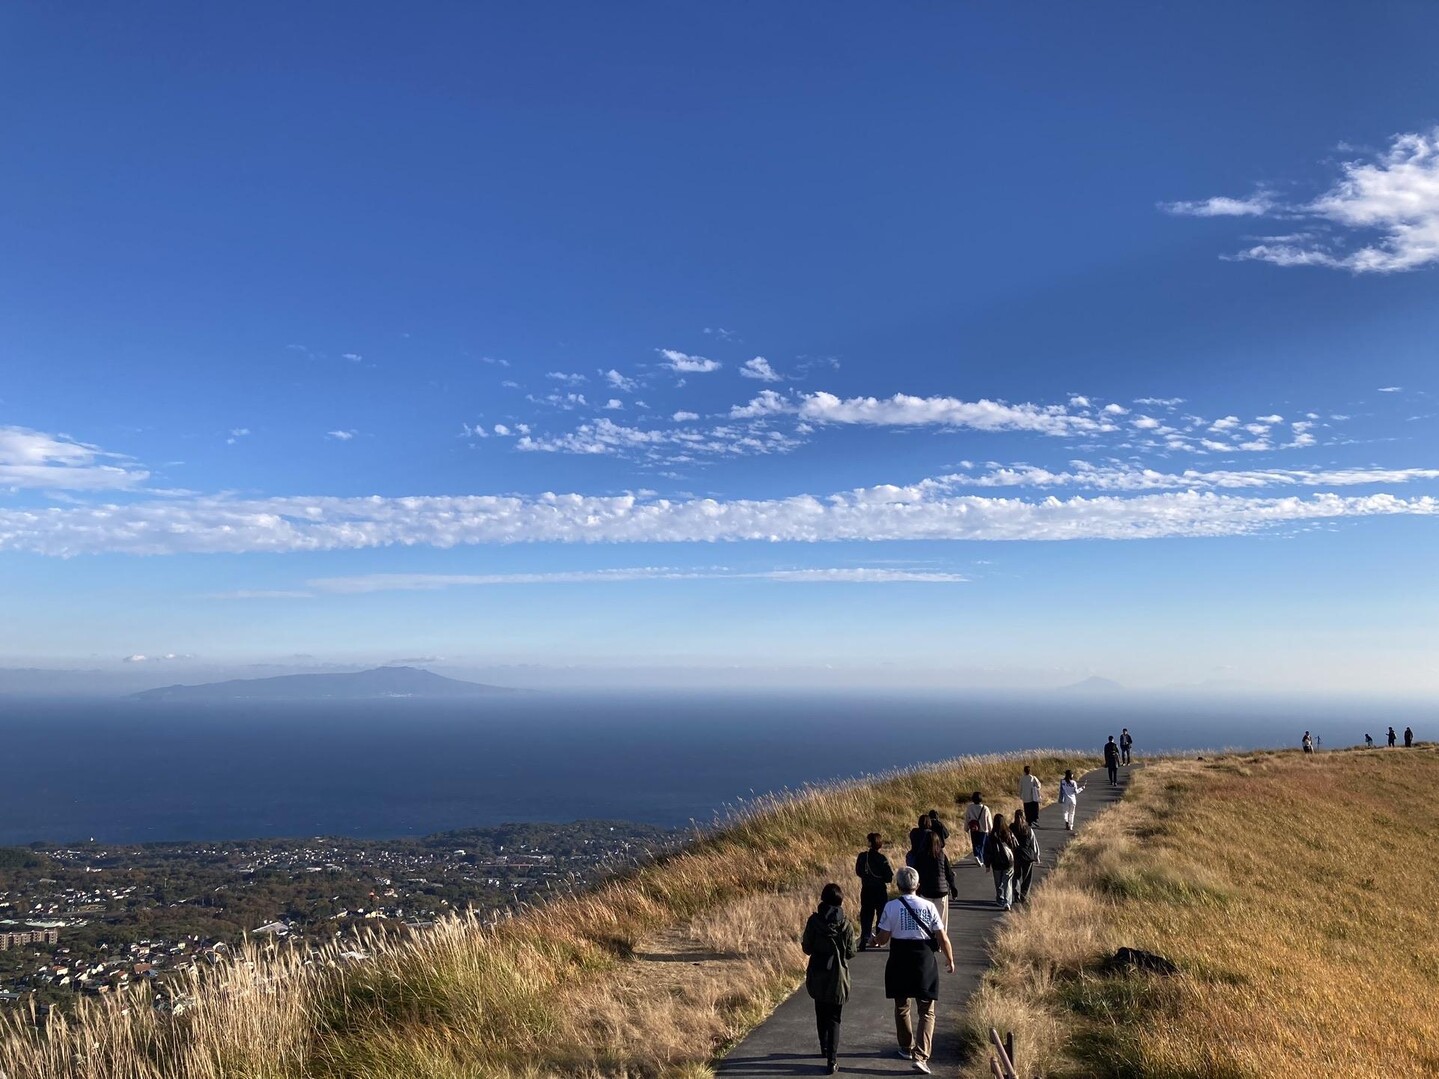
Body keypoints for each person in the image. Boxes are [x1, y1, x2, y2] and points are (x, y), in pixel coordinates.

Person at [874, 866, 955, 1075]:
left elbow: (883, 939)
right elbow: (942, 937)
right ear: (918, 886)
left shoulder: (891, 907)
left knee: (902, 1005)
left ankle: (905, 1046)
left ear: (898, 886)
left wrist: (875, 940)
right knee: (927, 1009)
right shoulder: (928, 906)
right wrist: (950, 959)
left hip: (899, 957)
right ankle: (921, 1055)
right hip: (923, 958)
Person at [802, 882, 857, 1074]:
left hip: (818, 971)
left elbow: (806, 948)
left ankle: (823, 1047)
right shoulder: (846, 925)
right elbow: (851, 952)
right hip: (838, 974)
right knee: (835, 1017)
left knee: (820, 1012)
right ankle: (832, 1060)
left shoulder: (813, 921)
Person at [908, 829, 957, 926]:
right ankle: (941, 939)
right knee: (941, 922)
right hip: (941, 891)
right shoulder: (942, 856)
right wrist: (953, 888)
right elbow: (949, 874)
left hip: (926, 891)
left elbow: (915, 874)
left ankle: (928, 939)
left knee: (926, 921)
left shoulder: (920, 856)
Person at [854, 833, 894, 950]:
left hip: (866, 889)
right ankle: (878, 938)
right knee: (881, 914)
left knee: (866, 914)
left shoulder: (862, 857)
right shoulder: (882, 859)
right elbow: (888, 877)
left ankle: (865, 936)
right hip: (880, 890)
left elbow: (858, 872)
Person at [984, 817, 1016, 911]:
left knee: (998, 883)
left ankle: (1000, 898)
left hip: (996, 863)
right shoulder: (1008, 833)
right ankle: (1007, 902)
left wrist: (987, 865)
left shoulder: (991, 836)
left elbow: (987, 852)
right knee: (1008, 882)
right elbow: (1014, 846)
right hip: (1008, 862)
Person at [1011, 811, 1040, 904]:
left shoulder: (1011, 828)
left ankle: (1016, 894)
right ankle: (1024, 896)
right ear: (1024, 817)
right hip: (1027, 856)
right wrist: (1036, 856)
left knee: (1015, 876)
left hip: (1015, 856)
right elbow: (1033, 843)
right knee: (1027, 877)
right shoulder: (1028, 829)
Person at [961, 791, 992, 867]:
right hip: (983, 829)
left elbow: (967, 818)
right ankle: (980, 858)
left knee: (975, 844)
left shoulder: (970, 807)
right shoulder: (985, 808)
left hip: (973, 829)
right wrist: (991, 829)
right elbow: (989, 820)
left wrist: (966, 828)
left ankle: (977, 856)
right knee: (982, 844)